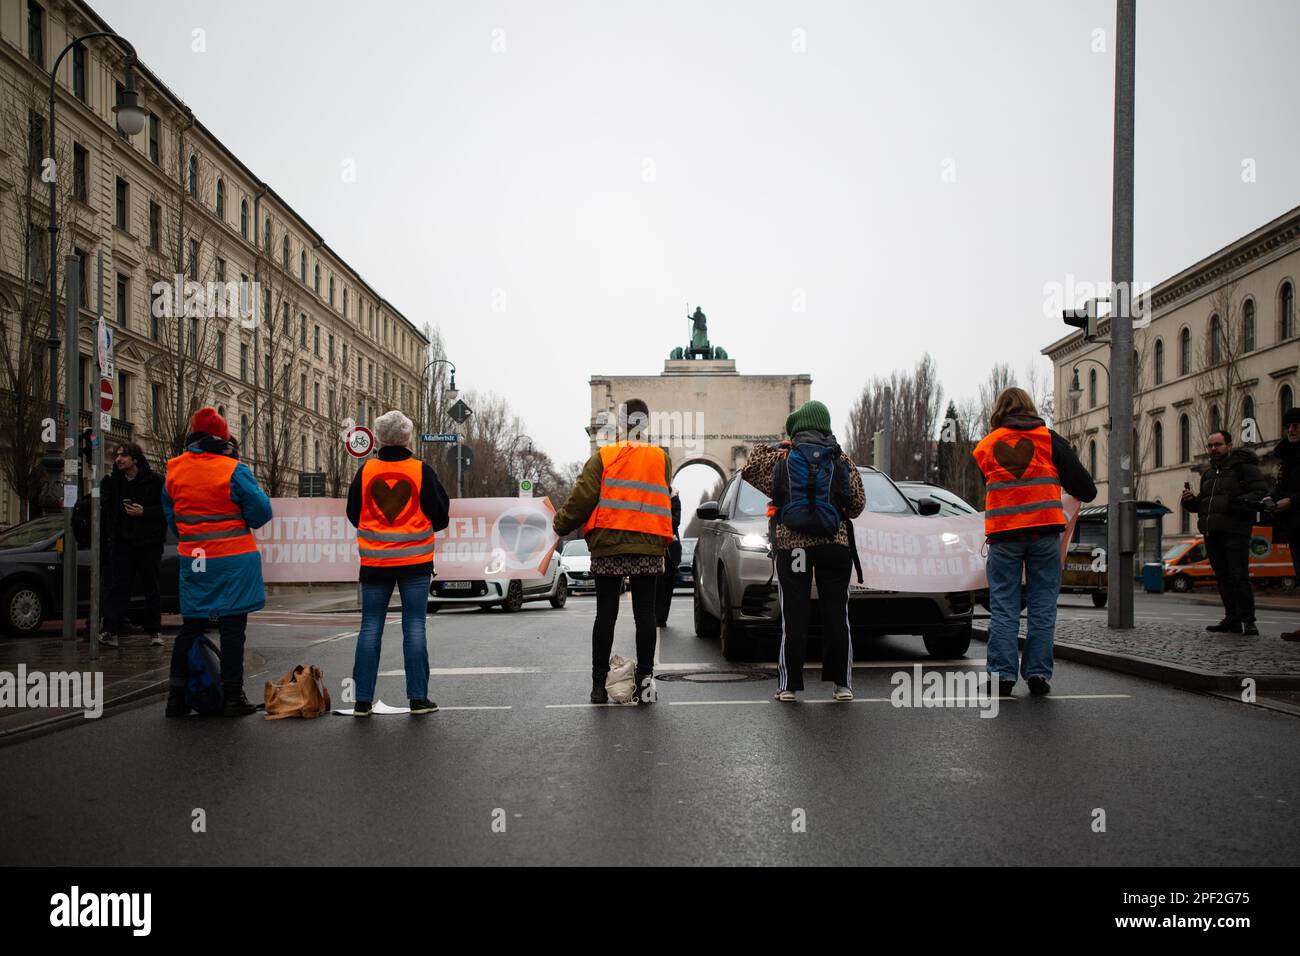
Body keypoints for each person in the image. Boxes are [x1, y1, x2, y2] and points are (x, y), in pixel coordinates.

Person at [973, 388, 1096, 697]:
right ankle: (1037, 674)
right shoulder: (1049, 440)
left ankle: (1001, 676)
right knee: (1042, 607)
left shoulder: (986, 446)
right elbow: (1086, 488)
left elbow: (989, 485)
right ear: (1029, 408)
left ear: (999, 410)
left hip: (1004, 537)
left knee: (1004, 607)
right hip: (1044, 535)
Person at [743, 399, 865, 702]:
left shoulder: (783, 458)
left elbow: (748, 470)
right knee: (837, 615)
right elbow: (858, 505)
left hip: (792, 546)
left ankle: (789, 686)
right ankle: (842, 685)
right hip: (834, 546)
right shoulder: (841, 460)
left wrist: (775, 445)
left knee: (794, 615)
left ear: (796, 429)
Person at [554, 399, 672, 704]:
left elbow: (582, 498)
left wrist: (560, 525)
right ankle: (645, 685)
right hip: (647, 543)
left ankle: (597, 686)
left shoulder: (603, 456)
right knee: (645, 614)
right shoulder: (661, 458)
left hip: (608, 545)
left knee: (606, 614)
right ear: (646, 424)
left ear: (620, 424)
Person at [163, 407, 273, 717]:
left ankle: (176, 696)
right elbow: (261, 512)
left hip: (196, 559)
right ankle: (231, 696)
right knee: (232, 628)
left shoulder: (174, 469)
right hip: (233, 560)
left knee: (191, 626)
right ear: (222, 437)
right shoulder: (232, 469)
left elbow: (173, 519)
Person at [347, 409, 450, 717]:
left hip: (375, 564)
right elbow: (441, 516)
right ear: (407, 438)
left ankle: (362, 701)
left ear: (379, 437)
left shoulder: (365, 471)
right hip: (415, 563)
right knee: (414, 626)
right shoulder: (421, 471)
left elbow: (353, 513)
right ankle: (418, 698)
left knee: (370, 628)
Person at [1181, 429, 1270, 636]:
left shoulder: (1244, 469)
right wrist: (1189, 501)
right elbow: (1204, 503)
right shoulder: (1209, 474)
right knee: (1222, 577)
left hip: (1235, 531)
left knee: (1238, 575)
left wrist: (1234, 503)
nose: (1213, 449)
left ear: (1229, 446)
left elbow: (1260, 493)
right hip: (1212, 532)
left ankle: (1248, 621)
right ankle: (1232, 618)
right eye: (1210, 446)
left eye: (1218, 445)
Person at [96, 443, 167, 647]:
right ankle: (110, 630)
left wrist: (144, 512)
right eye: (118, 455)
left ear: (134, 459)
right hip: (122, 543)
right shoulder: (113, 482)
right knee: (117, 586)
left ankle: (154, 631)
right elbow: (107, 509)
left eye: (123, 456)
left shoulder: (154, 481)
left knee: (151, 586)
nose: (119, 459)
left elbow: (164, 511)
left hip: (148, 543)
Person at [1264, 408, 1300, 641]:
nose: (1292, 429)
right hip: (1295, 526)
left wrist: (1292, 501)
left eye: (1297, 425)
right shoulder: (1287, 456)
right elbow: (1282, 486)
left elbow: (1292, 493)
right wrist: (1271, 498)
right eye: (1289, 426)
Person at [655, 492, 682, 628]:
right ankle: (656, 616)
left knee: (667, 582)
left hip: (670, 546)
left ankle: (662, 617)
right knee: (656, 582)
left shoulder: (673, 497)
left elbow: (676, 521)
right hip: (656, 542)